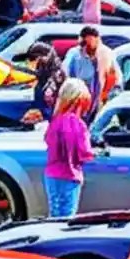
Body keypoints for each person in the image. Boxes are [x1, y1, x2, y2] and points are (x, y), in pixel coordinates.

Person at [42, 78, 94, 218]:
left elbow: (48, 141)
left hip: (52, 175)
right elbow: (85, 153)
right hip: (70, 175)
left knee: (54, 214)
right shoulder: (78, 125)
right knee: (67, 216)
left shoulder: (55, 122)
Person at [62, 26, 120, 120]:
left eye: (94, 48)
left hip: (102, 105)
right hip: (80, 105)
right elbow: (65, 74)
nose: (91, 52)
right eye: (87, 46)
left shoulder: (107, 54)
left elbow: (117, 82)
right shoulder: (74, 55)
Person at [20, 42, 66, 125]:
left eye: (39, 57)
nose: (38, 60)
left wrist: (50, 89)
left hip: (51, 106)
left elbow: (54, 81)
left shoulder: (57, 69)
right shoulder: (42, 65)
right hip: (41, 103)